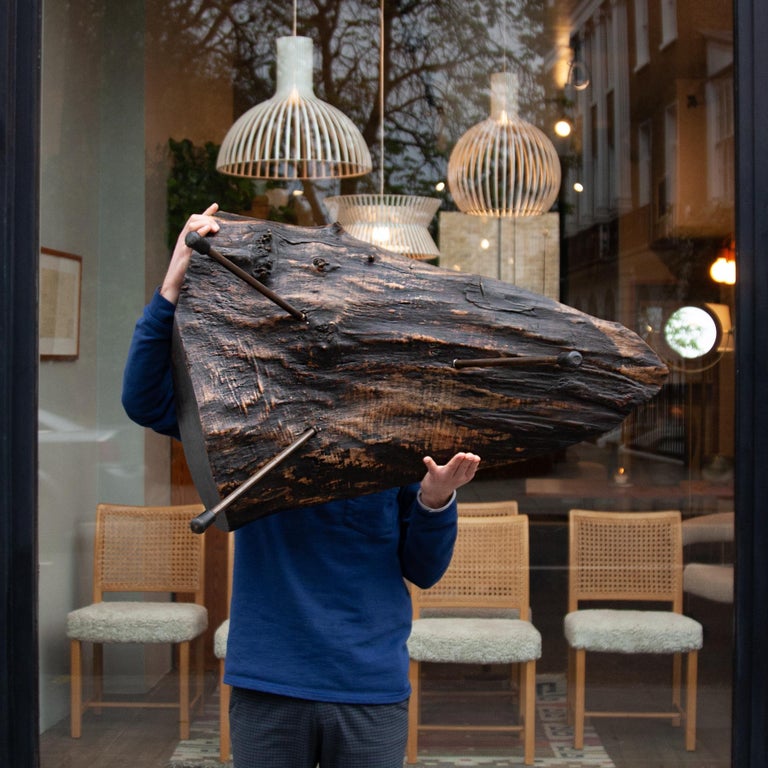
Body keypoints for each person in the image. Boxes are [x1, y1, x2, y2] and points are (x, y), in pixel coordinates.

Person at [121, 203, 481, 768]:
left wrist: (435, 502)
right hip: (270, 676)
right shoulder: (258, 412)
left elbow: (424, 571)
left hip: (367, 683)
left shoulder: (397, 429)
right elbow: (145, 400)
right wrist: (173, 283)